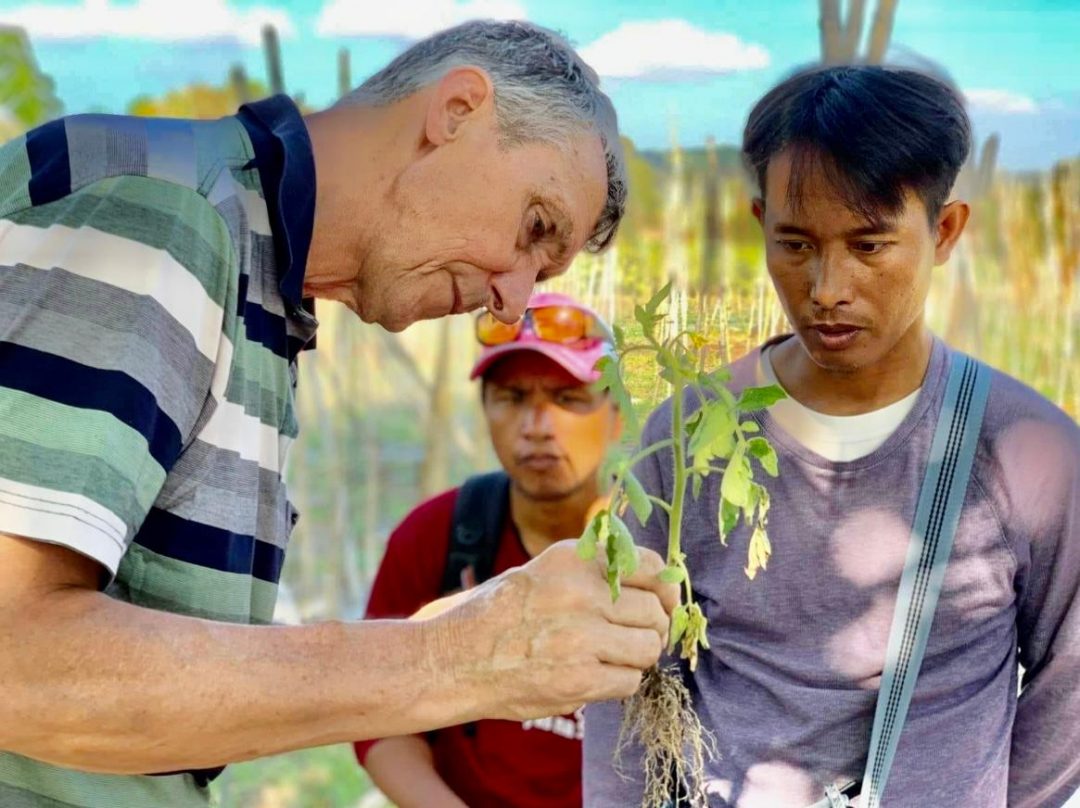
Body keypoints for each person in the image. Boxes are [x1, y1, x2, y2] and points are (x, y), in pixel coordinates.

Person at [0, 21, 678, 808]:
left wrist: (423, 647)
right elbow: (16, 659)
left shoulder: (254, 285)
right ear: (456, 110)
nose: (513, 302)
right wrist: (451, 660)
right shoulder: (159, 212)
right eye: (534, 228)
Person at [583, 65, 1080, 807]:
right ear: (759, 225)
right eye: (795, 244)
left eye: (870, 246)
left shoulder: (1028, 452)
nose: (827, 288)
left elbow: (1069, 686)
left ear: (944, 232)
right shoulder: (688, 441)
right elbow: (624, 678)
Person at [354, 291, 622, 808]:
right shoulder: (438, 536)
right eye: (512, 396)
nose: (537, 426)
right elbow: (374, 714)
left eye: (568, 398)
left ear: (616, 416)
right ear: (485, 409)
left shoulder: (665, 548)